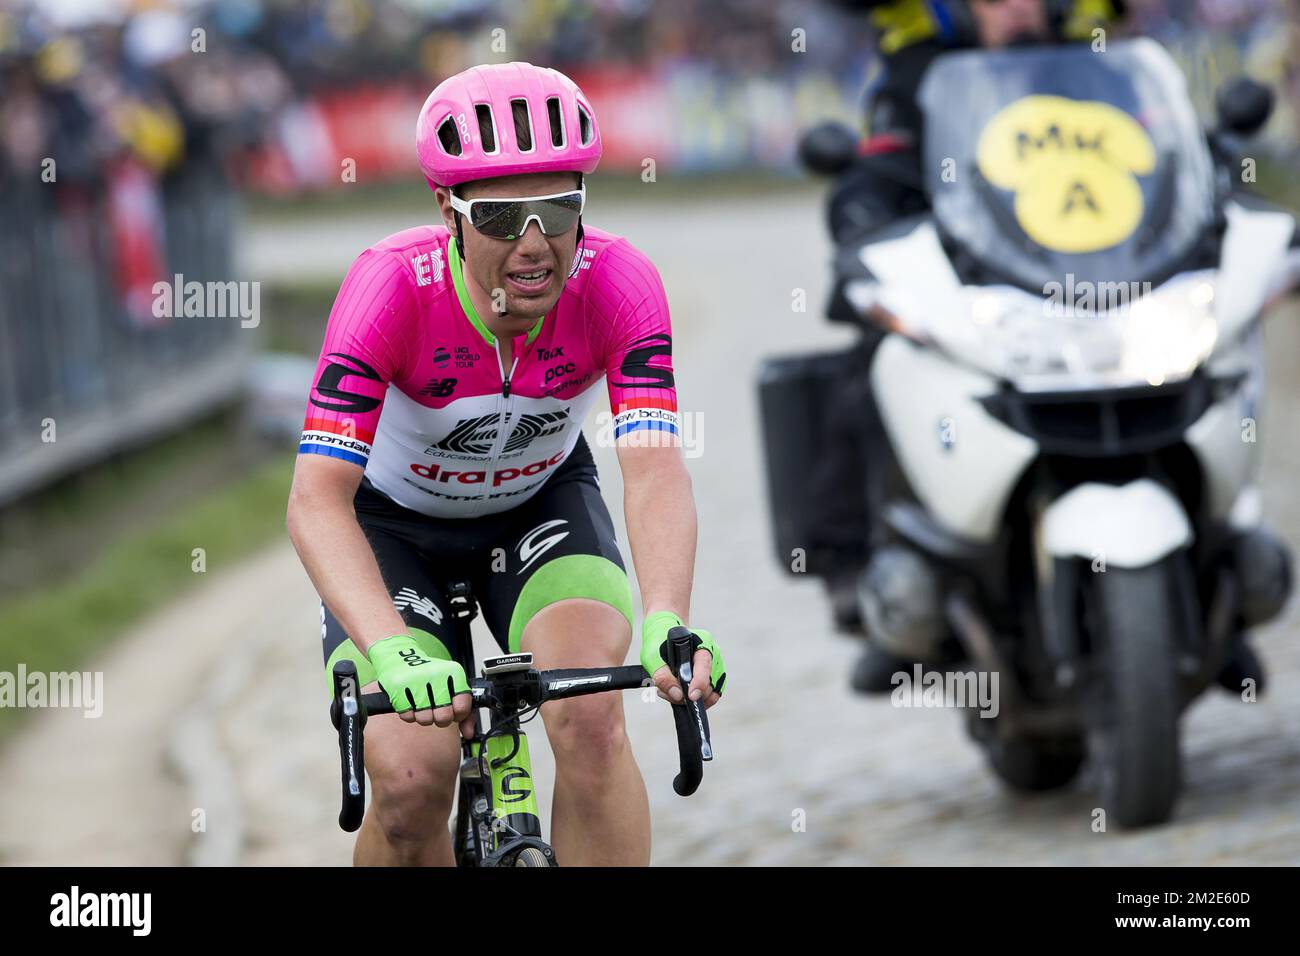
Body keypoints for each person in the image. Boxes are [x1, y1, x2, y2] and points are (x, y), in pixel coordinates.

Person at [286, 61, 726, 866]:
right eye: (498, 216)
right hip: (392, 528)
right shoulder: (389, 286)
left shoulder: (620, 284)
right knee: (413, 776)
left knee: (592, 721)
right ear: (447, 214)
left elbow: (657, 469)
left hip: (540, 504)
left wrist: (667, 615)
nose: (534, 244)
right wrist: (388, 646)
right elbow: (316, 499)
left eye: (558, 210)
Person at [811, 0, 1129, 691]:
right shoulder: (922, 75)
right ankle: (868, 573)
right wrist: (862, 212)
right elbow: (882, 169)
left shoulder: (1096, 65)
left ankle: (1210, 563)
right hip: (978, 289)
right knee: (876, 365)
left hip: (1099, 288)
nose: (1013, 7)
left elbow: (1160, 159)